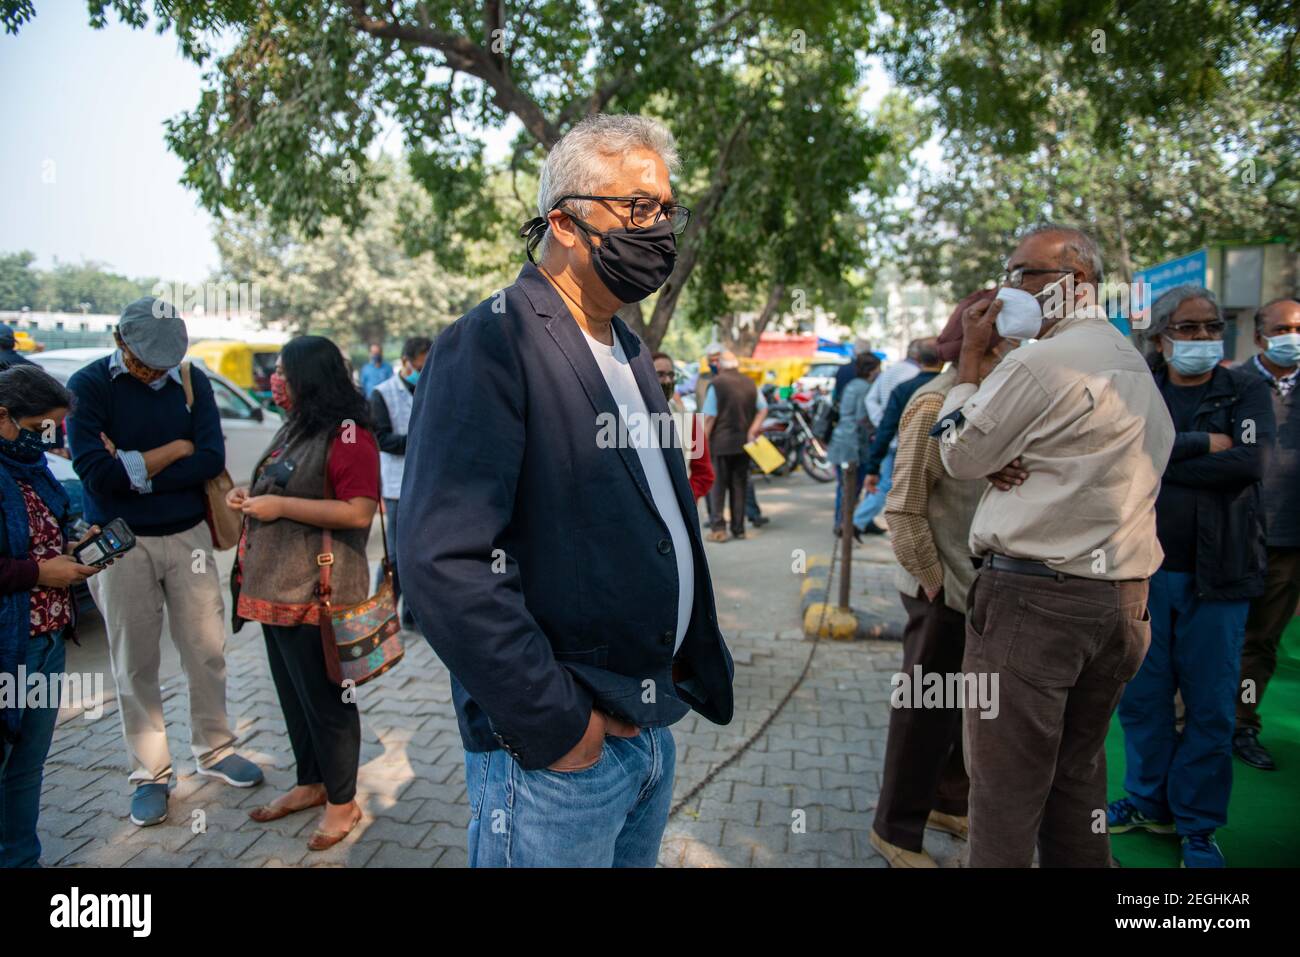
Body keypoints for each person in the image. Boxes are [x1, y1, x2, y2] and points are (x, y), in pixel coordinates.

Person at [397, 114, 734, 868]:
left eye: (666, 211)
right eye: (637, 209)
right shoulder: (491, 340)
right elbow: (441, 560)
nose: (659, 230)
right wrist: (559, 724)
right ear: (566, 220)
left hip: (647, 727)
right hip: (559, 760)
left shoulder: (629, 347)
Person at [935, 224, 1174, 867]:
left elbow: (959, 452)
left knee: (1007, 792)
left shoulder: (1041, 360)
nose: (1010, 288)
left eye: (1022, 274)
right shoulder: (1128, 359)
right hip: (1120, 604)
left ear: (1074, 285)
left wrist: (969, 363)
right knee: (1077, 779)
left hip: (1036, 601)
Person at [67, 297, 262, 828]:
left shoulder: (191, 381)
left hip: (189, 535)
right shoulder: (88, 387)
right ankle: (149, 773)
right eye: (145, 360)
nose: (155, 371)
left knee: (207, 649)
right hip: (120, 542)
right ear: (119, 341)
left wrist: (131, 463)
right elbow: (95, 476)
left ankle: (215, 748)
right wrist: (174, 449)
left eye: (165, 361)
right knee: (135, 660)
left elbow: (212, 459)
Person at [1105, 285, 1273, 868]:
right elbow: (1116, 458)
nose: (1203, 339)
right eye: (1189, 328)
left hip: (1220, 572)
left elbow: (1250, 463)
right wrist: (1201, 445)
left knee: (1210, 705)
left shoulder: (1245, 388)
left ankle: (1198, 826)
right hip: (1144, 569)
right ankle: (1147, 799)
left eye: (1211, 328)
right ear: (1160, 338)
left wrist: (1159, 464)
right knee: (1144, 698)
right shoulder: (1138, 385)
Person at [870, 304, 1011, 868]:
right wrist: (932, 584)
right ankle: (894, 831)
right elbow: (902, 507)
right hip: (941, 586)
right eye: (1009, 344)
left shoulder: (995, 402)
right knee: (923, 714)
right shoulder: (934, 401)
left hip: (976, 587)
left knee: (962, 706)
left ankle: (947, 802)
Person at [228, 336, 379, 852]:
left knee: (329, 702)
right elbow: (286, 489)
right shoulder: (298, 426)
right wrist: (251, 498)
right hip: (278, 590)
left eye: (284, 374)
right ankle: (311, 784)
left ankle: (343, 803)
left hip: (321, 592)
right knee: (295, 699)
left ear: (309, 379)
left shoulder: (351, 435)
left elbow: (358, 511)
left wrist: (280, 508)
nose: (275, 381)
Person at [0, 366, 106, 866]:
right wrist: (39, 573)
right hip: (9, 643)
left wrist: (69, 551)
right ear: (4, 416)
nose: (51, 437)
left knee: (27, 766)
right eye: (44, 426)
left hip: (46, 642)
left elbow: (39, 537)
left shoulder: (33, 466)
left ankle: (22, 858)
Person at [1234, 297, 1300, 770]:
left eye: (1298, 327)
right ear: (1260, 336)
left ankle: (1242, 722)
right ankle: (1192, 720)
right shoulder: (1233, 384)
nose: (1291, 337)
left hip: (1287, 540)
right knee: (1211, 637)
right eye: (1282, 329)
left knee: (1260, 642)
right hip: (1231, 536)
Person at [370, 335, 432, 630]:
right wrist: (421, 439)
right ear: (406, 362)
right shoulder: (382, 393)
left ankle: (411, 614)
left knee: (418, 553)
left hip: (426, 483)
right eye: (419, 365)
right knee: (394, 556)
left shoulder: (431, 387)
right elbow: (382, 439)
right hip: (396, 487)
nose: (423, 370)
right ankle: (380, 617)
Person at [856, 338, 944, 537]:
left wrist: (881, 423)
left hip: (896, 440)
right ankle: (857, 521)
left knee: (890, 486)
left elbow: (876, 407)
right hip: (919, 445)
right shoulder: (929, 382)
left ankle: (858, 521)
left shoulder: (892, 375)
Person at [701, 351, 766, 542]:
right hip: (743, 444)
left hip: (720, 444)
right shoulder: (750, 383)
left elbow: (710, 417)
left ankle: (719, 529)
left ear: (719, 365)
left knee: (717, 487)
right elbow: (763, 409)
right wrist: (752, 431)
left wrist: (701, 444)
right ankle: (739, 528)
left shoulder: (717, 384)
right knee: (739, 486)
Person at [825, 350, 881, 529]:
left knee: (845, 487)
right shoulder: (865, 388)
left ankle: (843, 523)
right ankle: (844, 525)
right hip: (854, 444)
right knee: (851, 487)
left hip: (843, 439)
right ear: (872, 370)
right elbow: (863, 418)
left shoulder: (852, 385)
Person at [653, 351, 714, 501]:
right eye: (660, 374)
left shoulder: (690, 421)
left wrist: (687, 498)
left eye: (671, 375)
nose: (667, 381)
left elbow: (704, 473)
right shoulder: (628, 419)